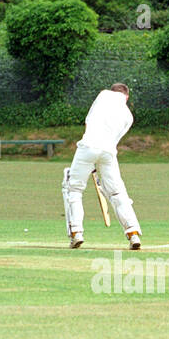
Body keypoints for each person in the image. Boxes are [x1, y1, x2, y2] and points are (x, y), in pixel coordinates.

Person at [62, 83, 142, 249]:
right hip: (108, 152)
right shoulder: (128, 116)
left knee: (74, 189)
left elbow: (88, 122)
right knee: (117, 192)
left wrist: (91, 162)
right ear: (126, 97)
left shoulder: (104, 95)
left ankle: (76, 233)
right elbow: (114, 139)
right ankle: (133, 233)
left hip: (88, 147)